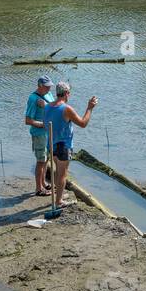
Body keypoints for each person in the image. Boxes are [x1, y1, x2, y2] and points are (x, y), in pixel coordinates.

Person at [42, 81, 97, 216]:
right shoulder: (66, 109)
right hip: (63, 146)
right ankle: (59, 201)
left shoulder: (47, 107)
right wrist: (89, 108)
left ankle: (58, 196)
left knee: (58, 171)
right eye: (69, 93)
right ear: (67, 93)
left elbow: (44, 125)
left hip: (52, 144)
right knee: (62, 174)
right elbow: (83, 123)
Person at [24, 77, 55, 196]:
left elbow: (53, 107)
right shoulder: (33, 98)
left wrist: (46, 106)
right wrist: (43, 124)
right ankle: (38, 189)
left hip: (49, 133)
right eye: (47, 86)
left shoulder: (49, 94)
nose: (49, 88)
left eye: (50, 85)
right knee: (41, 161)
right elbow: (28, 120)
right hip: (39, 134)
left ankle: (44, 183)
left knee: (46, 159)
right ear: (40, 85)